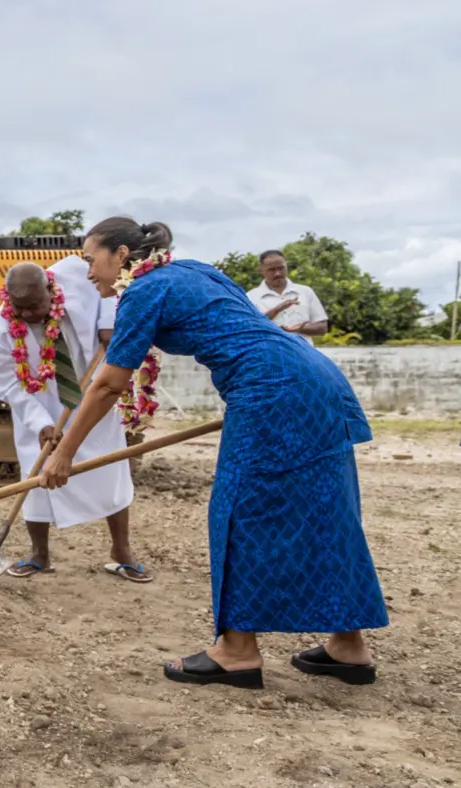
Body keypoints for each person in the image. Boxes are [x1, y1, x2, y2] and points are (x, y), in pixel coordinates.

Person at [40, 217, 388, 690]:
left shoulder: (142, 291)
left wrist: (64, 456)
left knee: (238, 510)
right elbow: (242, 325)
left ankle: (237, 651)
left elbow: (107, 385)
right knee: (327, 509)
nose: (88, 273)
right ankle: (348, 645)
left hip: (271, 390)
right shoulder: (197, 270)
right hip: (313, 376)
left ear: (121, 256)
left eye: (90, 260)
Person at [0, 258, 149, 582]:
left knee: (110, 468)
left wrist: (110, 324)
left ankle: (121, 552)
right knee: (36, 477)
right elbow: (10, 385)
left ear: (51, 288)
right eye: (21, 309)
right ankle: (39, 555)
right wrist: (41, 424)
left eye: (36, 305)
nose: (29, 315)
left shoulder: (77, 275)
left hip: (93, 394)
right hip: (38, 408)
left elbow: (114, 285)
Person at [246, 250, 328, 344]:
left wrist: (300, 328)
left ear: (286, 267)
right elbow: (251, 329)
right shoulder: (251, 297)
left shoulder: (305, 291)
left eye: (281, 268)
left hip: (303, 355)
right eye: (271, 270)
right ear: (261, 270)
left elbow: (322, 327)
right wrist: (277, 309)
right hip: (271, 356)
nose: (278, 273)